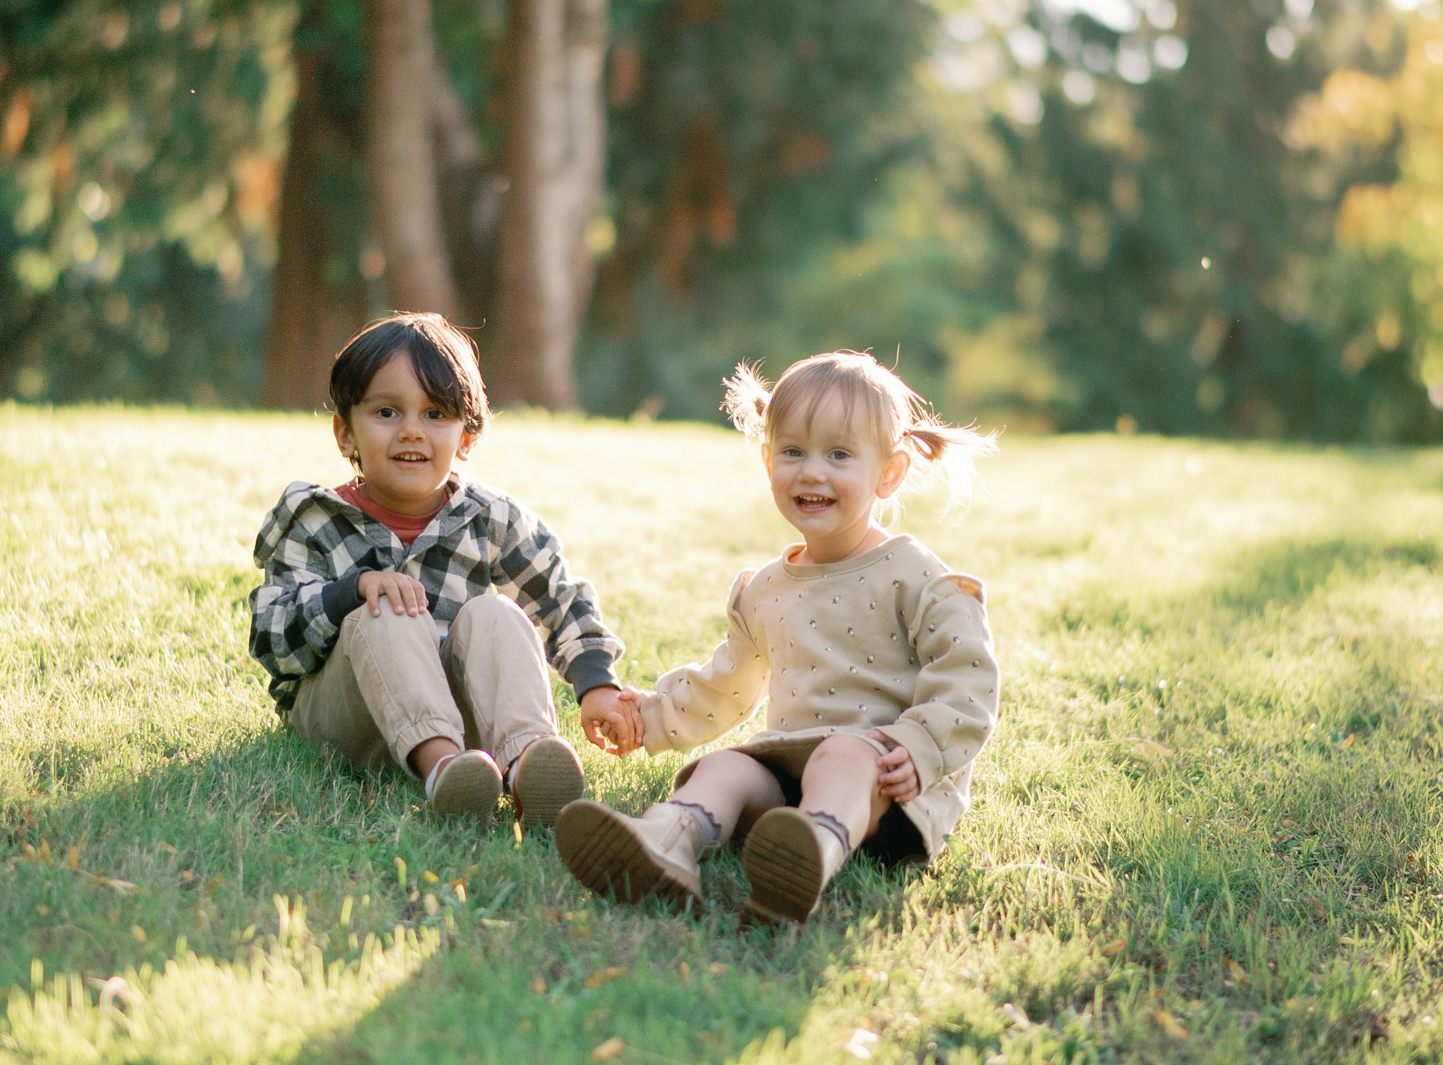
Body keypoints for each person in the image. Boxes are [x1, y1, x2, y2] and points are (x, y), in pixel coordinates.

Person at [555, 351, 999, 924]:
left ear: (889, 473)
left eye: (838, 455)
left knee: (841, 754)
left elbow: (967, 681)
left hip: (889, 789)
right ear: (768, 461)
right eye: (793, 452)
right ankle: (667, 842)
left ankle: (811, 853)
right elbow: (726, 688)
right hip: (790, 783)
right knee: (728, 769)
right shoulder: (764, 589)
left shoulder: (920, 579)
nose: (811, 471)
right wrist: (651, 715)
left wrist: (920, 749)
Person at [248, 312, 642, 828]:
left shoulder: (490, 517)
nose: (412, 430)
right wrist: (351, 591)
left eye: (435, 414)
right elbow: (272, 638)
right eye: (387, 412)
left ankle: (528, 763)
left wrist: (597, 685)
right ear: (345, 434)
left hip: (462, 723)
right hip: (349, 721)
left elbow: (559, 598)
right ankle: (443, 773)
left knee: (497, 613)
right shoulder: (314, 518)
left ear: (466, 440)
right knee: (384, 607)